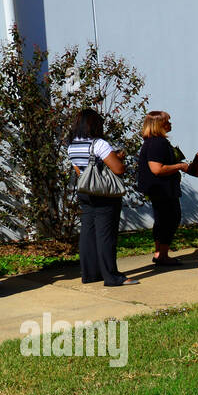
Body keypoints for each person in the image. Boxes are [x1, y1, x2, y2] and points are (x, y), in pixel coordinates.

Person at [66, 109, 136, 287]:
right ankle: (111, 276)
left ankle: (90, 274)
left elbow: (79, 170)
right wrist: (119, 157)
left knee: (88, 233)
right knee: (106, 235)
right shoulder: (99, 144)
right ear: (95, 125)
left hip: (85, 192)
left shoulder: (72, 145)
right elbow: (118, 169)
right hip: (104, 193)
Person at [137, 110, 189, 267]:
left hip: (159, 189)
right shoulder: (157, 143)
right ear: (159, 124)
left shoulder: (153, 141)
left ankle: (159, 252)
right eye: (167, 121)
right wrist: (180, 166)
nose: (170, 123)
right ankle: (163, 254)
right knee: (170, 219)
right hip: (162, 189)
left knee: (162, 219)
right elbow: (157, 169)